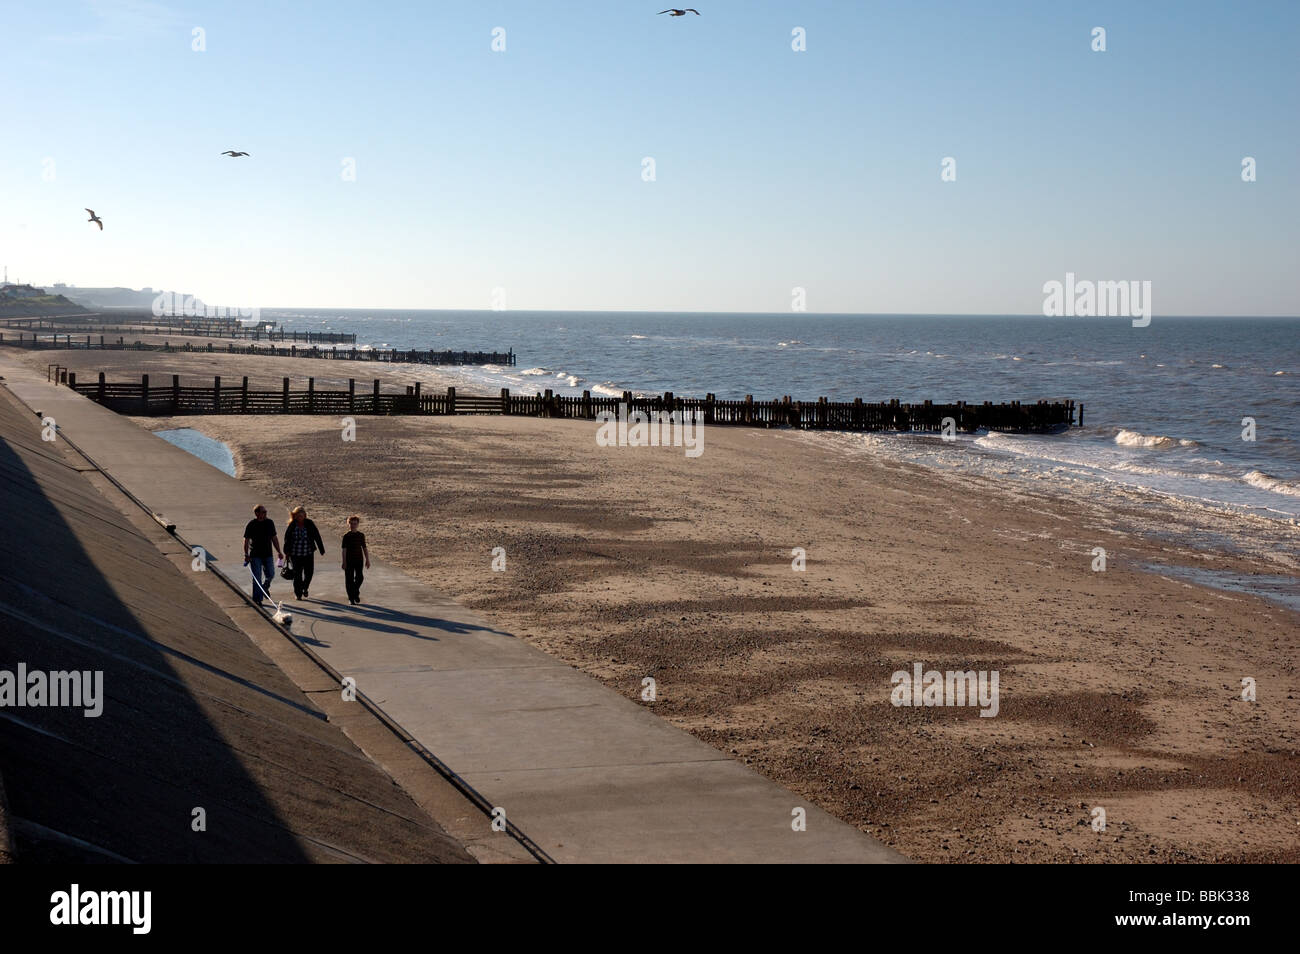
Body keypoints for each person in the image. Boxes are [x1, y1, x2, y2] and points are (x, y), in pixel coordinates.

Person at [242, 504, 283, 606]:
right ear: (257, 513)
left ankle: (264, 587)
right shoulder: (251, 524)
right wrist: (246, 554)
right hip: (255, 555)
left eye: (266, 512)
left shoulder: (269, 523)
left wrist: (279, 551)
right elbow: (246, 540)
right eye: (263, 512)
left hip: (268, 554)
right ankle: (257, 599)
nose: (265, 514)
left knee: (271, 574)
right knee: (257, 577)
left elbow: (274, 538)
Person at [283, 506, 325, 600]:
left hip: (308, 553)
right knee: (297, 575)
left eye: (302, 515)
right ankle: (298, 594)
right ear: (295, 516)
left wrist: (321, 548)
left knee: (309, 573)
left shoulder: (309, 523)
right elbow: (287, 538)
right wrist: (286, 552)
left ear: (305, 515)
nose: (300, 517)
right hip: (295, 554)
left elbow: (316, 535)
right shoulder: (292, 525)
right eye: (298, 515)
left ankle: (305, 588)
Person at [341, 515, 370, 605]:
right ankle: (351, 598)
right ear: (348, 524)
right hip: (349, 561)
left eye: (355, 524)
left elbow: (364, 548)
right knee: (349, 579)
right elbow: (344, 549)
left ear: (358, 524)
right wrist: (344, 562)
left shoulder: (361, 535)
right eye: (351, 523)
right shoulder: (346, 536)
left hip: (359, 560)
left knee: (360, 578)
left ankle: (355, 593)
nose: (353, 525)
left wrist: (367, 559)